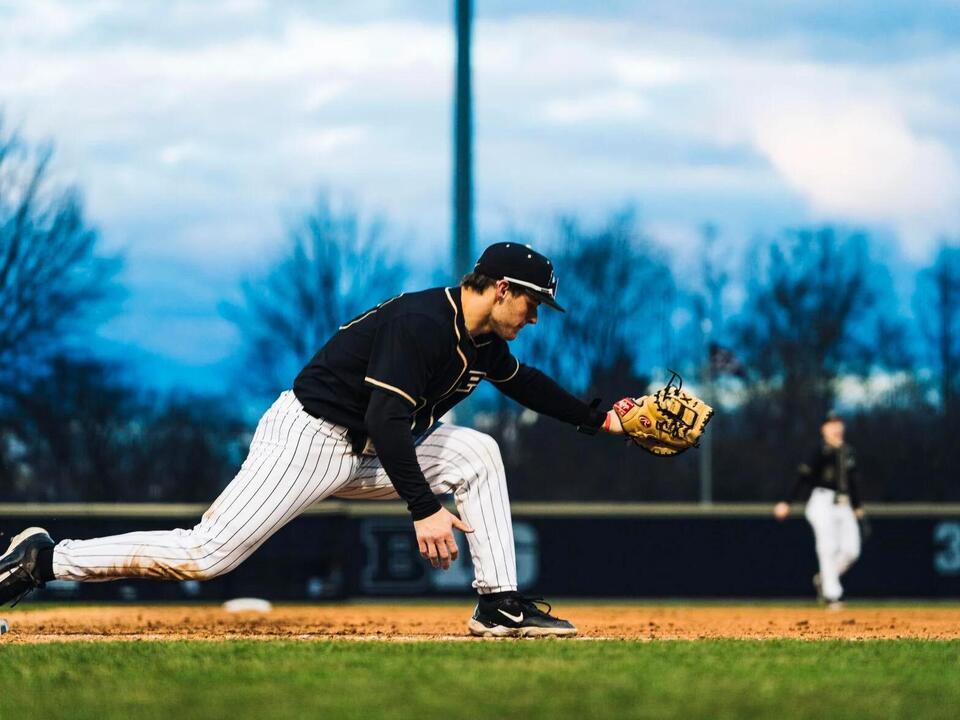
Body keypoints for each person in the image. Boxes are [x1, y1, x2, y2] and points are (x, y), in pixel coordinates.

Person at [0, 242, 636, 638]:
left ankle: (499, 606)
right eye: (531, 304)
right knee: (206, 554)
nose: (533, 317)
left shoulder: (487, 341)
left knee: (476, 453)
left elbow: (525, 386)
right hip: (309, 440)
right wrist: (423, 509)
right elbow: (388, 420)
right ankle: (44, 559)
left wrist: (600, 418)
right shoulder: (423, 323)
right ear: (502, 289)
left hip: (369, 448)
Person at [774, 411, 865, 609]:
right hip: (821, 501)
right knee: (828, 547)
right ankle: (833, 595)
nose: (837, 427)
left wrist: (857, 506)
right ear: (823, 429)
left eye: (839, 423)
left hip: (844, 503)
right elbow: (802, 477)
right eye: (832, 424)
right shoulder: (819, 450)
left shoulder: (848, 451)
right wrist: (787, 502)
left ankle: (824, 578)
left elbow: (853, 482)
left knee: (852, 551)